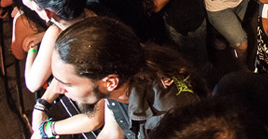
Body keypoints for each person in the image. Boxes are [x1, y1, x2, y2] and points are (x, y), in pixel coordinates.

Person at [50, 17, 204, 139]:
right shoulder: (119, 74)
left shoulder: (167, 118)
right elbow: (112, 133)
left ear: (110, 82)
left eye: (67, 83)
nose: (58, 89)